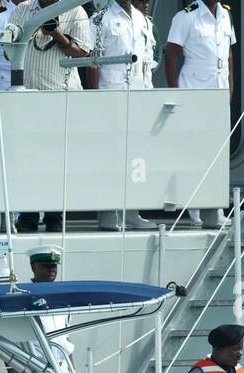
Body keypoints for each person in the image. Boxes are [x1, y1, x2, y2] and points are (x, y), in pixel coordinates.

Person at [9, 0, 90, 232]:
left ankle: (55, 215)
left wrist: (56, 33)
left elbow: (82, 52)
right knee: (27, 160)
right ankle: (28, 214)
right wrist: (33, 29)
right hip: (27, 97)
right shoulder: (23, 10)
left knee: (57, 161)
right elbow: (8, 49)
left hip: (60, 98)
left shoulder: (75, 10)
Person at [165, 1, 236, 227]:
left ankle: (215, 207)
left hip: (219, 90)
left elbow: (229, 55)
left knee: (217, 151)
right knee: (194, 151)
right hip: (194, 90)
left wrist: (230, 89)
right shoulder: (186, 17)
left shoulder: (225, 14)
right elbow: (171, 55)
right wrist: (175, 93)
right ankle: (194, 206)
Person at [90, 1, 156, 232]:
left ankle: (132, 212)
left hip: (139, 96)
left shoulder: (142, 19)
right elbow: (93, 61)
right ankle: (108, 213)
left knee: (136, 159)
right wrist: (96, 99)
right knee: (111, 157)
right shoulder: (101, 19)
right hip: (111, 96)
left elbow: (147, 61)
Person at [131, 0, 158, 88]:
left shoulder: (149, 23)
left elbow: (153, 55)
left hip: (147, 81)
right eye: (141, 2)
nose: (146, 5)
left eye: (147, 2)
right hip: (131, 79)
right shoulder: (127, 23)